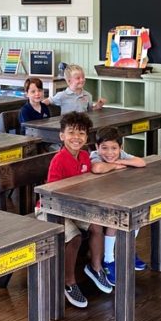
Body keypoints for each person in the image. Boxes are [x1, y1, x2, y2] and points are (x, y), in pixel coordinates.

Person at [46, 112, 109, 307]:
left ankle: (96, 268)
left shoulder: (84, 156)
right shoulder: (59, 159)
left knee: (97, 226)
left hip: (77, 208)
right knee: (75, 237)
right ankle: (69, 282)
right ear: (62, 136)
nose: (76, 137)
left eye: (81, 133)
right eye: (71, 132)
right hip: (53, 209)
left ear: (87, 137)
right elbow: (51, 193)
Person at [90, 127, 147, 281]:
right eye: (104, 148)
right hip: (97, 201)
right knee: (115, 220)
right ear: (96, 147)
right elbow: (97, 168)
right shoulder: (95, 156)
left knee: (137, 215)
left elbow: (141, 162)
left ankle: (128, 251)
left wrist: (119, 160)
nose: (110, 153)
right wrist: (115, 165)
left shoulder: (120, 155)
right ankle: (109, 259)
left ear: (121, 148)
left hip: (117, 196)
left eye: (114, 148)